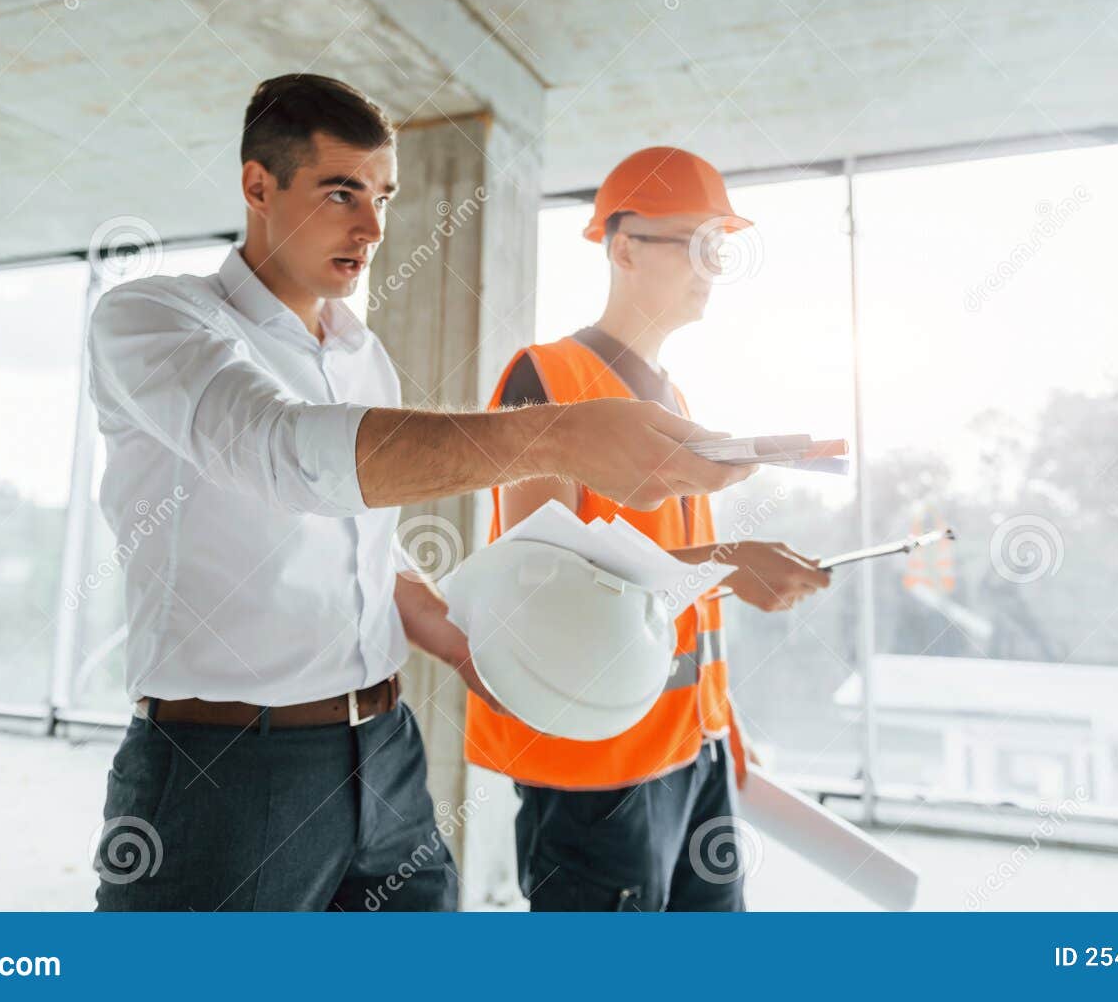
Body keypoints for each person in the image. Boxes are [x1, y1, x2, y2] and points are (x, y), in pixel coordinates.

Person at [87, 78, 752, 911]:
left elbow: (360, 537)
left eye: (383, 196)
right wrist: (558, 436)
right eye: (341, 192)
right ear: (259, 185)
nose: (370, 226)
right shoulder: (154, 319)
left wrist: (459, 637)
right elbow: (286, 454)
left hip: (386, 753)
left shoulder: (363, 355)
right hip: (222, 768)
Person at [464, 146, 832, 911]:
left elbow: (689, 608)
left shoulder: (678, 399)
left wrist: (720, 721)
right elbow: (542, 579)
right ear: (624, 246)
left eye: (721, 248)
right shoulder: (545, 378)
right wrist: (728, 561)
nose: (715, 267)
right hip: (599, 768)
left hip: (691, 754)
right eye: (697, 245)